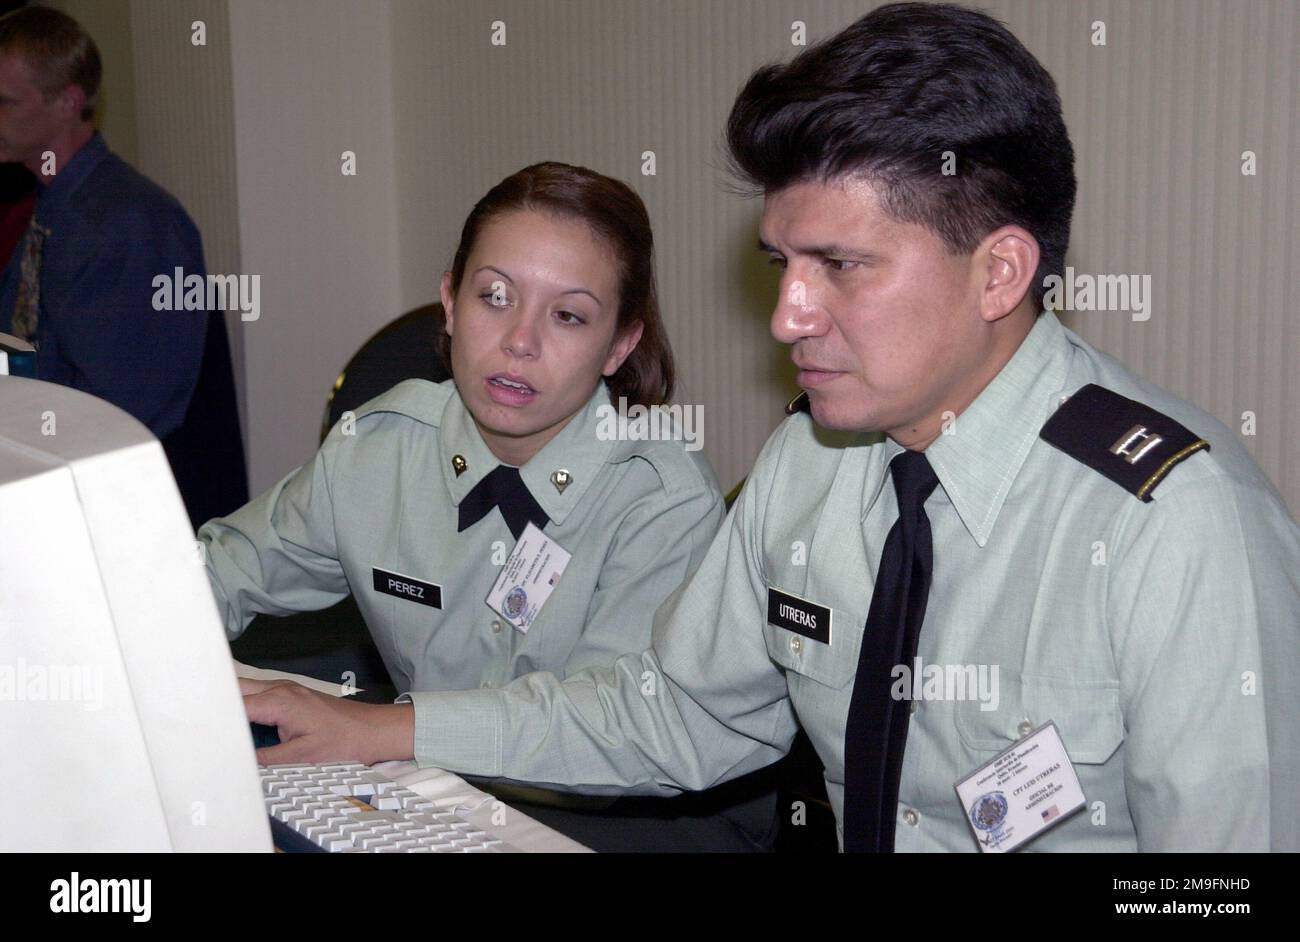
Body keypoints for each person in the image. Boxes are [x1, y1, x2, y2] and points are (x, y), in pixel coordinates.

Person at [376, 3, 1300, 852]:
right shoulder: (814, 459)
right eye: (782, 262)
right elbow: (679, 716)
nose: (787, 316)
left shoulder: (1178, 527)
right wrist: (391, 727)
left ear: (1000, 274)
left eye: (841, 266)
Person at [209, 161, 779, 852]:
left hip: (637, 816)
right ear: (450, 301)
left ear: (620, 344)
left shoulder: (659, 497)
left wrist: (384, 729)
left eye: (568, 315)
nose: (520, 342)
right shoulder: (381, 447)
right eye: (495, 296)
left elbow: (623, 726)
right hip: (441, 783)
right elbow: (221, 568)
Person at [0, 6, 247, 527]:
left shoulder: (130, 224)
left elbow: (120, 421)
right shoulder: (57, 210)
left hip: (127, 514)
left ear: (68, 101)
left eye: (4, 102)